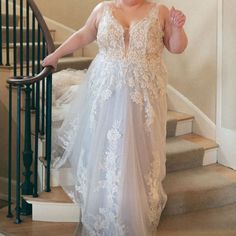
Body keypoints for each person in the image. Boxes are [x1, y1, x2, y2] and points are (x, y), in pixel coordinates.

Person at [42, 0, 187, 235]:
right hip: (105, 93)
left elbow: (176, 47)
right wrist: (56, 55)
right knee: (106, 151)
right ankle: (105, 210)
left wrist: (178, 28)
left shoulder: (159, 11)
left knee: (138, 153)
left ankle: (132, 213)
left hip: (142, 97)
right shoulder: (102, 9)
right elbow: (84, 34)